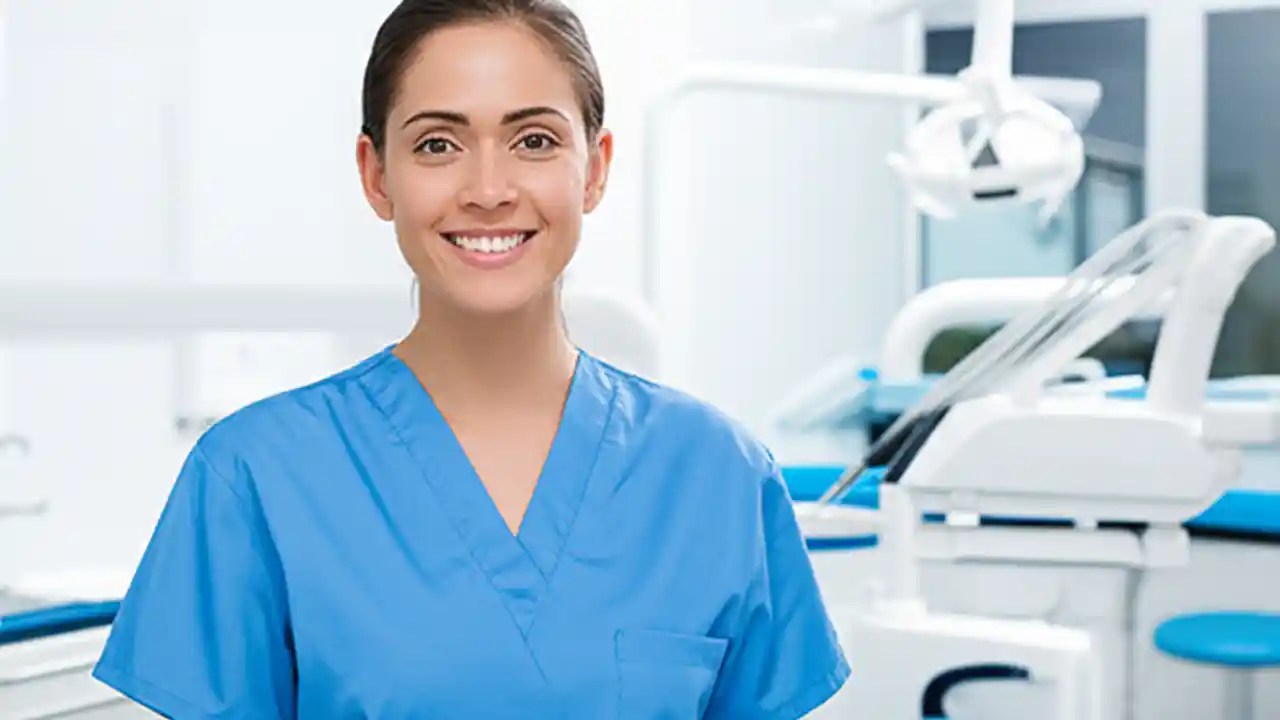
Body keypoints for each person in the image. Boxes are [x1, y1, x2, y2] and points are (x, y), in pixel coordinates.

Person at [92, 0, 851, 717]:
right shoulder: (254, 476)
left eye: (534, 140)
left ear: (594, 169)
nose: (488, 190)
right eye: (437, 145)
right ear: (376, 174)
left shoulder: (716, 475)